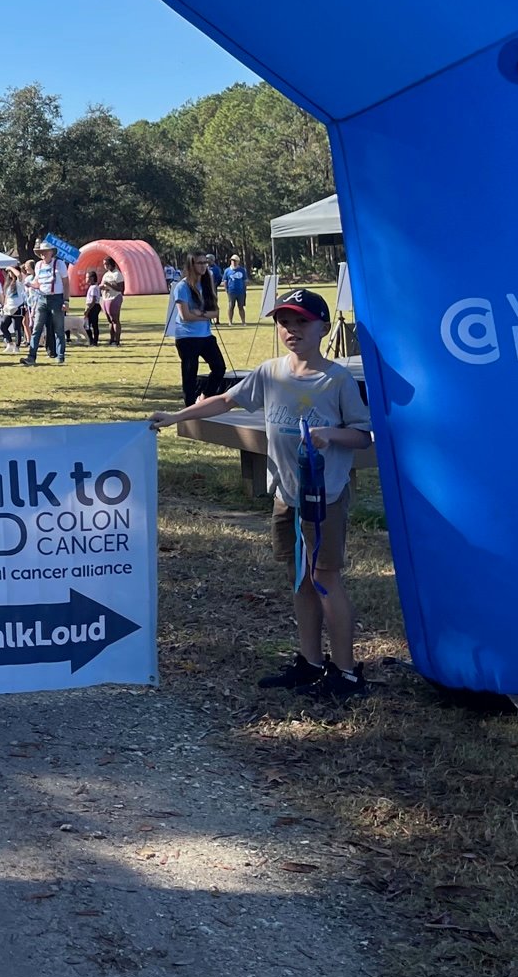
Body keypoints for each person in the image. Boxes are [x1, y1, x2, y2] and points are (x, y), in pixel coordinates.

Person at [148, 288, 373, 699]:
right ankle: (309, 663)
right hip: (286, 495)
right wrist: (177, 415)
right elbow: (224, 400)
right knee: (299, 579)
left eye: (302, 321)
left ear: (323, 326)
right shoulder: (270, 372)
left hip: (324, 497)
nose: (292, 329)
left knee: (325, 579)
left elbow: (362, 435)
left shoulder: (336, 379)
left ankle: (346, 673)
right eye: (284, 322)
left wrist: (328, 435)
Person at [170, 251, 227, 405]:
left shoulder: (208, 284)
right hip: (187, 338)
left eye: (205, 263)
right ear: (191, 265)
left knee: (219, 368)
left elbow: (216, 312)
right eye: (200, 263)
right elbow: (185, 316)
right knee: (189, 375)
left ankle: (204, 398)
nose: (204, 266)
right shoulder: (182, 287)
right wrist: (205, 315)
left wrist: (200, 313)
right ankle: (189, 408)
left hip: (205, 336)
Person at [20, 245, 69, 366]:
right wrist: (30, 285)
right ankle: (31, 356)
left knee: (58, 328)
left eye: (45, 251)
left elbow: (66, 283)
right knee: (36, 328)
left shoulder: (59, 264)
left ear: (51, 252)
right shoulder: (38, 265)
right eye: (41, 252)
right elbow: (37, 283)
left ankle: (60, 355)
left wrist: (66, 300)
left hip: (56, 298)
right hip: (42, 298)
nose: (43, 254)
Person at [100, 257, 127, 346]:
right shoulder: (106, 274)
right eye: (104, 264)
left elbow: (121, 288)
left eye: (106, 264)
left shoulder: (117, 274)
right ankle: (111, 339)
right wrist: (102, 287)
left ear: (111, 264)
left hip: (114, 297)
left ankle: (117, 340)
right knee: (109, 320)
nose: (105, 266)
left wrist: (110, 285)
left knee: (115, 319)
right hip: (105, 297)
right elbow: (102, 284)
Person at [0, 266, 26, 348]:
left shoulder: (19, 282)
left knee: (16, 327)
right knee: (3, 326)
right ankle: (9, 343)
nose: (10, 274)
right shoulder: (8, 284)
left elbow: (19, 275)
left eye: (12, 272)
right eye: (9, 272)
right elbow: (6, 296)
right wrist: (4, 306)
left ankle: (17, 346)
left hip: (17, 307)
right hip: (8, 308)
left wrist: (10, 268)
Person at [81, 262, 104, 347]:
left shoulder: (94, 287)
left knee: (91, 324)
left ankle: (93, 341)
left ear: (92, 278)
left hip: (93, 307)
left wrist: (88, 309)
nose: (86, 279)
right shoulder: (93, 287)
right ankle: (92, 340)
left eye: (87, 277)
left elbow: (93, 300)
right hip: (92, 306)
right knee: (90, 324)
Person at [224, 255, 249, 324]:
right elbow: (225, 281)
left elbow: (245, 281)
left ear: (238, 262)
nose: (233, 262)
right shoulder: (227, 271)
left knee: (241, 306)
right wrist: (226, 290)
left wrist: (244, 290)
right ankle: (230, 321)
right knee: (231, 306)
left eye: (235, 261)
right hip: (231, 291)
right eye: (232, 261)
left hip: (240, 292)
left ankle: (243, 321)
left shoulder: (242, 270)